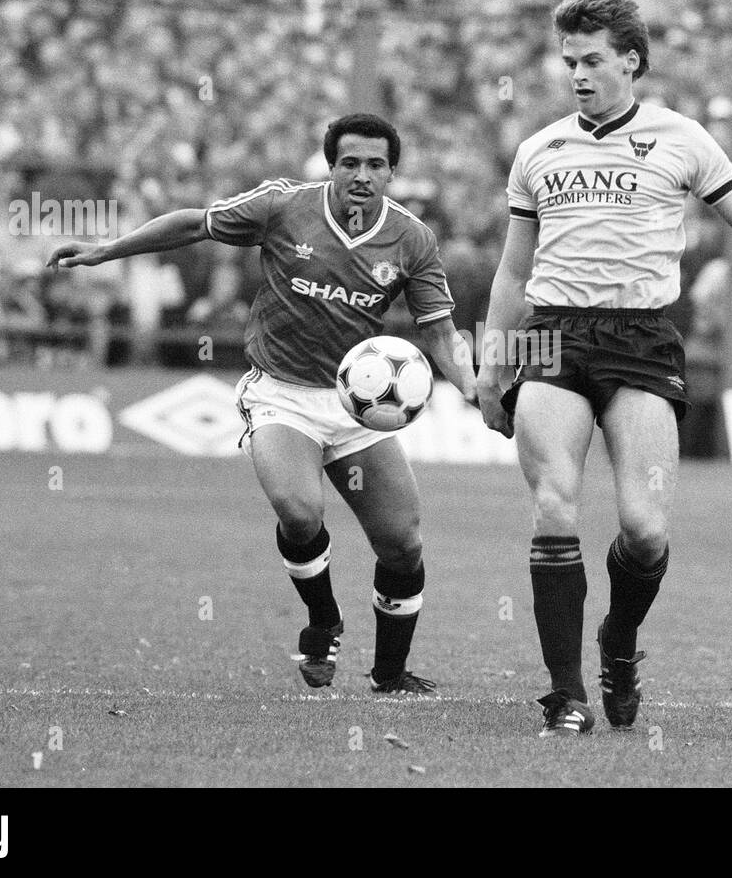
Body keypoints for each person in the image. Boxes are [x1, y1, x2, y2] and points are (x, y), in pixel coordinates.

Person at [476, 0, 732, 737]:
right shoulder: (539, 150)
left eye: (592, 60)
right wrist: (489, 364)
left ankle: (619, 643)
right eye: (569, 61)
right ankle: (565, 694)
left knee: (644, 528)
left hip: (642, 336)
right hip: (552, 333)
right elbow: (512, 273)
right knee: (551, 505)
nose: (577, 74)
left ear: (630, 60)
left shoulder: (683, 139)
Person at [49, 113, 477, 693]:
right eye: (350, 162)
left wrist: (473, 388)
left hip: (359, 407)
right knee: (300, 512)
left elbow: (439, 331)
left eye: (376, 165)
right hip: (281, 395)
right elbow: (194, 224)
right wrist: (109, 250)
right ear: (331, 166)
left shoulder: (412, 240)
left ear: (392, 173)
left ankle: (390, 671)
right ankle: (323, 619)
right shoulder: (283, 206)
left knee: (403, 544)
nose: (362, 175)